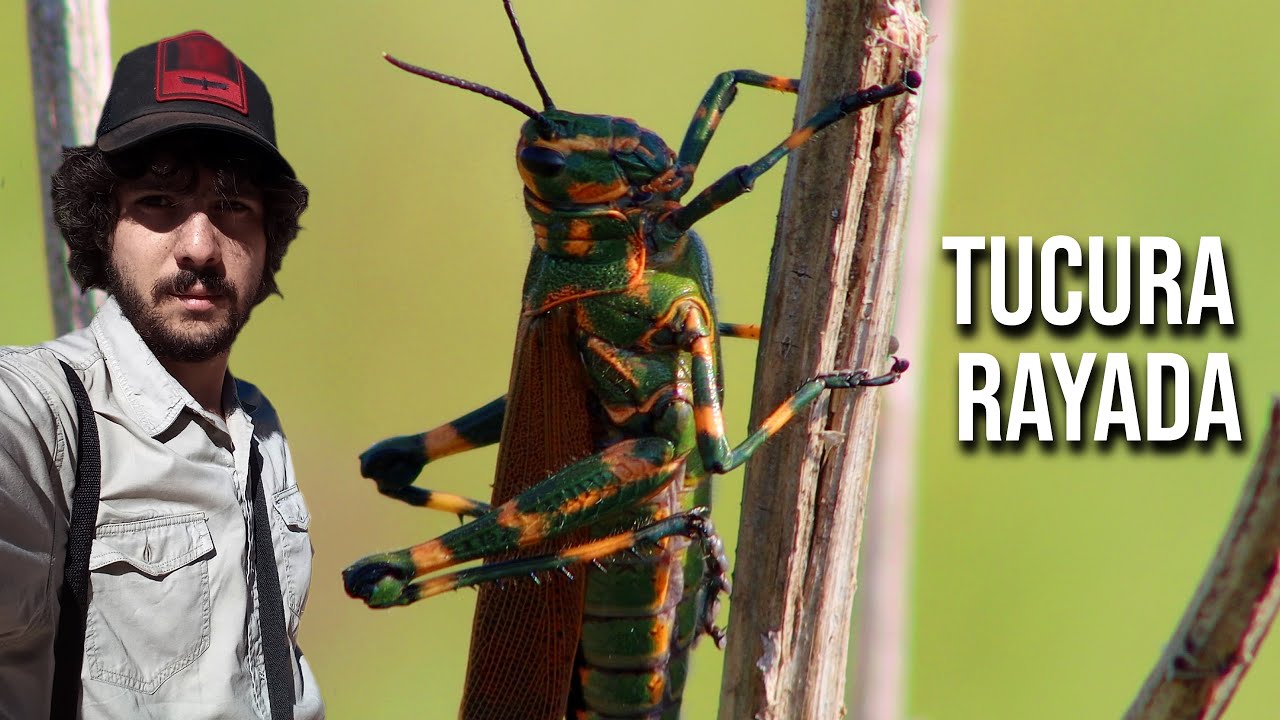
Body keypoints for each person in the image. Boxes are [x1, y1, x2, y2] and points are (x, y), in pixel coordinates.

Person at [0, 30, 323, 718]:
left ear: (268, 244)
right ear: (100, 227)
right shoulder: (50, 417)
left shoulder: (258, 431)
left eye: (234, 207)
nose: (200, 246)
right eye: (157, 203)